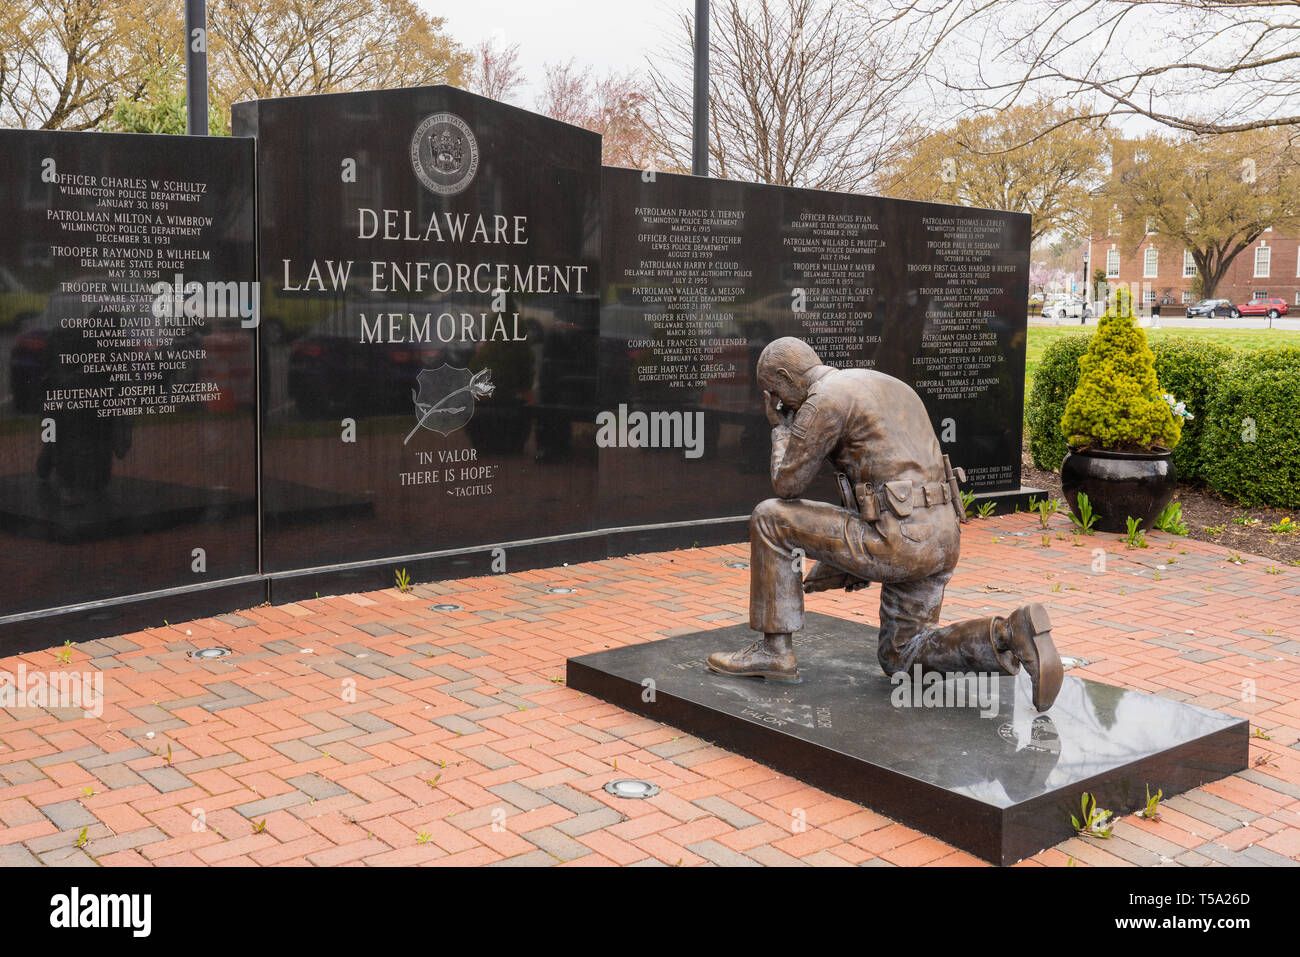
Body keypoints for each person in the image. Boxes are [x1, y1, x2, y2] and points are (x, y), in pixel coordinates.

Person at [706, 337, 1064, 712]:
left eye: (775, 392)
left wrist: (780, 430)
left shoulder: (823, 399)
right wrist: (838, 561)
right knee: (900, 658)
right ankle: (1010, 632)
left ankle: (774, 651)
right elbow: (884, 468)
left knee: (770, 516)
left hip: (899, 538)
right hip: (942, 537)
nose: (779, 403)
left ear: (785, 376)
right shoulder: (891, 385)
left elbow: (788, 485)